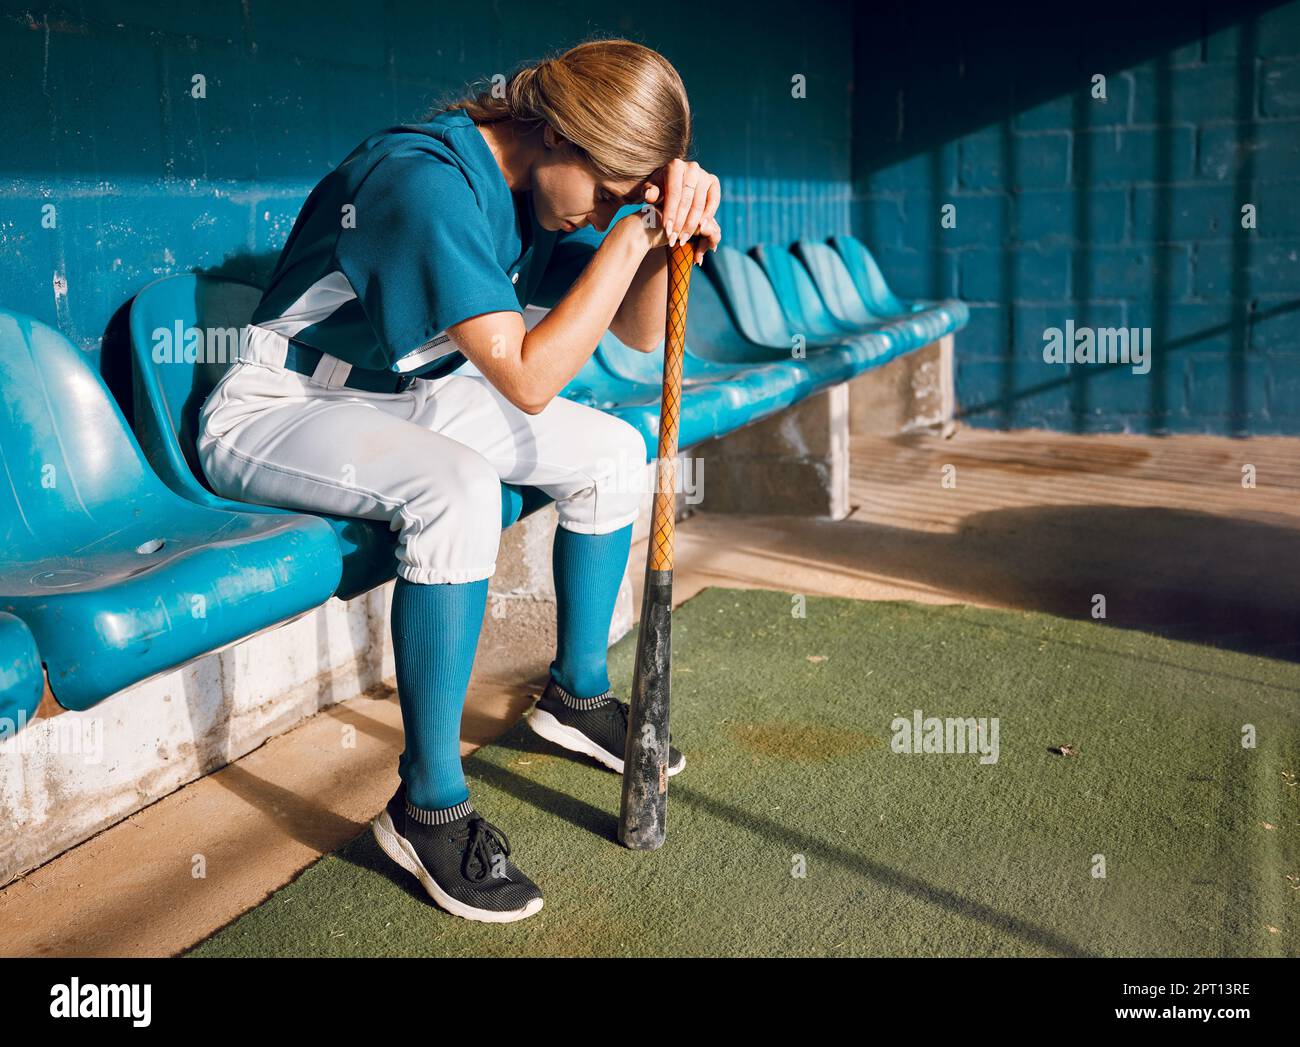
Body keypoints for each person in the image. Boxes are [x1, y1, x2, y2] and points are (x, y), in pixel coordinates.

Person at [195, 37, 722, 923]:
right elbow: (523, 376)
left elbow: (633, 332)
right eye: (602, 191)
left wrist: (671, 241)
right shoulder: (423, 178)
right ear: (556, 132)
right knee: (460, 490)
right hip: (277, 405)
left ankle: (576, 695)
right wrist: (633, 229)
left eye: (617, 202)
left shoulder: (533, 189)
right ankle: (426, 805)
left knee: (610, 452)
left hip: (407, 398)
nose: (597, 216)